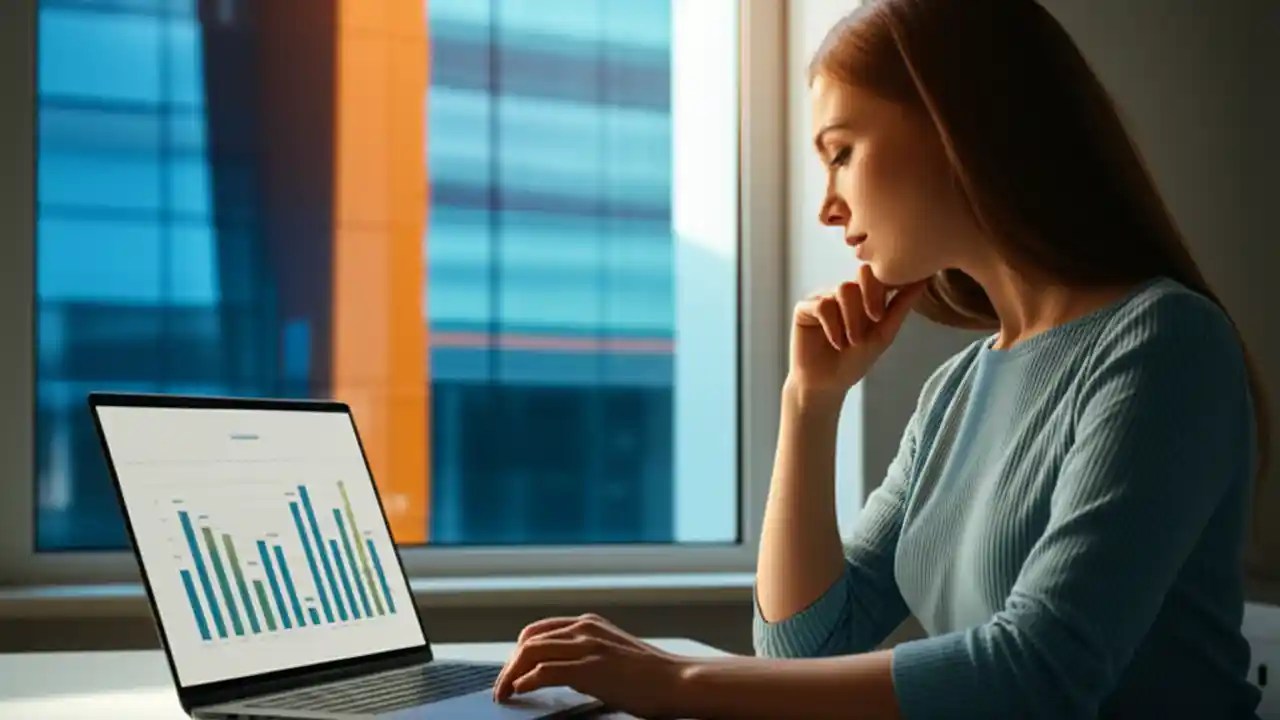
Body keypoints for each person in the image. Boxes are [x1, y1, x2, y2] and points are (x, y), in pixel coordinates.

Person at [491, 0, 1269, 717]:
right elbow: (806, 646)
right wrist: (810, 404)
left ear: (953, 124)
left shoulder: (1164, 344)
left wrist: (677, 678)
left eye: (842, 152)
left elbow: (1040, 672)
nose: (828, 204)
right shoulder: (956, 390)